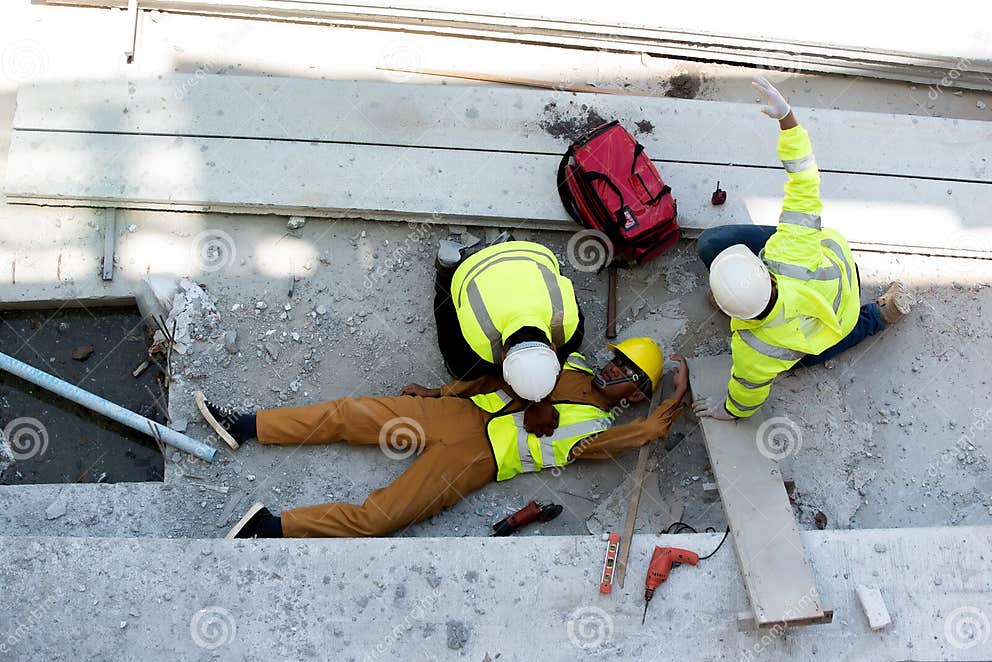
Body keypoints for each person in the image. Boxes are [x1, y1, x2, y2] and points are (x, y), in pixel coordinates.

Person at [197, 338, 687, 538]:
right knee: (351, 415)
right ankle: (244, 425)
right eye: (617, 358)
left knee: (381, 517)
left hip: (475, 461)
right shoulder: (574, 363)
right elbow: (501, 376)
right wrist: (441, 391)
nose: (612, 367)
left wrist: (664, 411)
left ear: (637, 392)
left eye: (626, 372)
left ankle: (271, 527)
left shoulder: (597, 429)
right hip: (458, 414)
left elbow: (620, 441)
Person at [693, 77, 914, 422]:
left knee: (806, 357)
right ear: (761, 268)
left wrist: (728, 410)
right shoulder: (789, 247)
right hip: (837, 270)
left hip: (838, 318)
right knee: (712, 244)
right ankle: (864, 313)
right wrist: (787, 119)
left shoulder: (755, 351)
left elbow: (747, 391)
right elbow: (804, 177)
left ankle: (876, 317)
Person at [434, 238, 586, 436]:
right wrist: (533, 403)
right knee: (460, 368)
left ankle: (505, 247)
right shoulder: (479, 337)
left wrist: (538, 399)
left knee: (574, 341)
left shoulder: (568, 322)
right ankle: (447, 271)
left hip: (531, 253)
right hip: (471, 268)